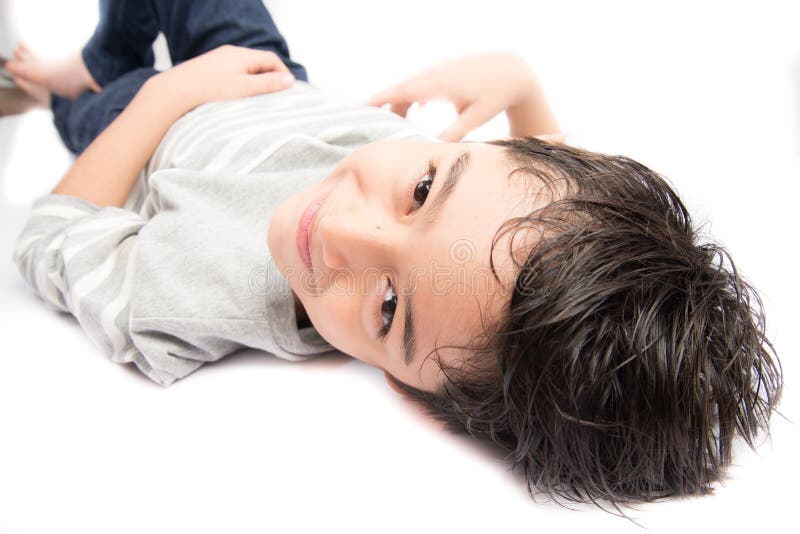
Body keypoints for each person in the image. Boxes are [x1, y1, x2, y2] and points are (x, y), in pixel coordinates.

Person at [7, 0, 784, 511]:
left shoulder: (197, 298)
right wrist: (519, 79)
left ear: (414, 394)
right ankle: (101, 54)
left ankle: (63, 89)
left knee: (106, 94)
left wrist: (164, 100)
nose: (344, 230)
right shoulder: (505, 241)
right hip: (268, 80)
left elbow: (52, 235)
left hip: (158, 132)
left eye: (388, 307)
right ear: (490, 150)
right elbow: (547, 181)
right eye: (420, 188)